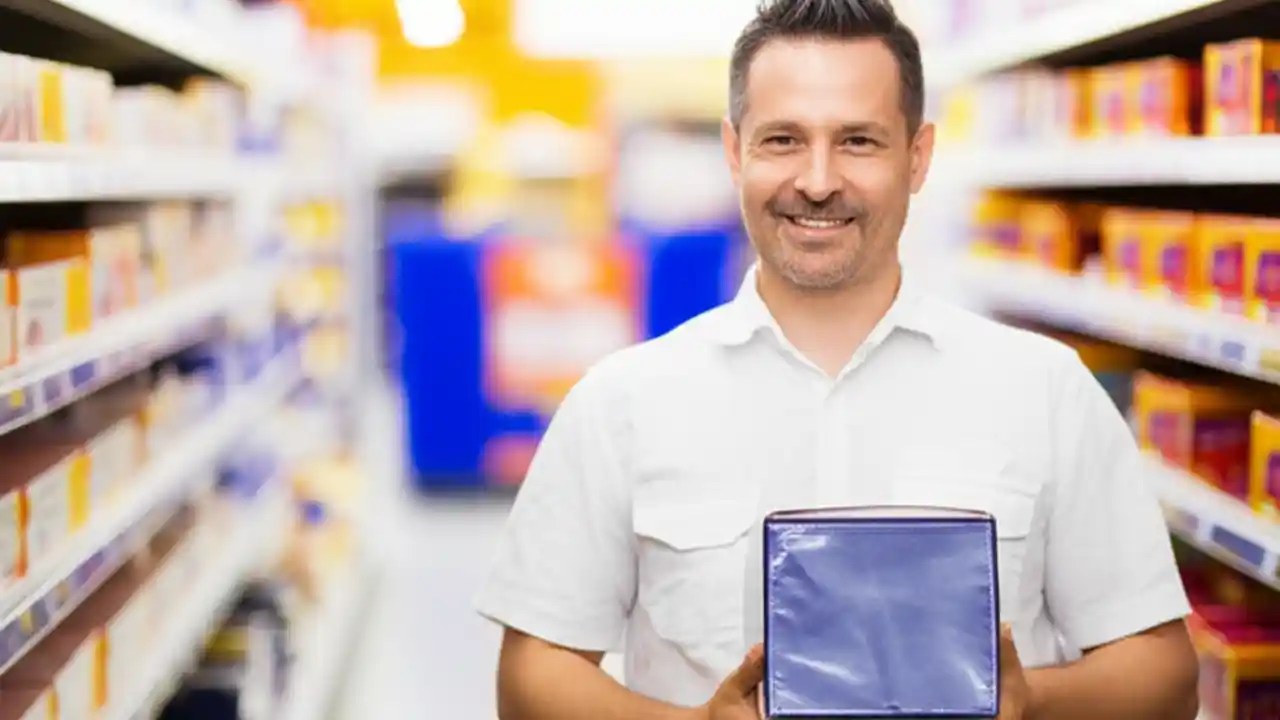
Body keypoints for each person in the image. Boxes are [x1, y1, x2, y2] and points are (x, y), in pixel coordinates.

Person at [475, 0, 1201, 718]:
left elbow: (1163, 673)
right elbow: (533, 674)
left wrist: (1030, 700)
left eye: (857, 141)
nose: (817, 181)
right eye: (783, 140)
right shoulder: (621, 404)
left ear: (917, 158)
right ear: (735, 152)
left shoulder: (1044, 390)